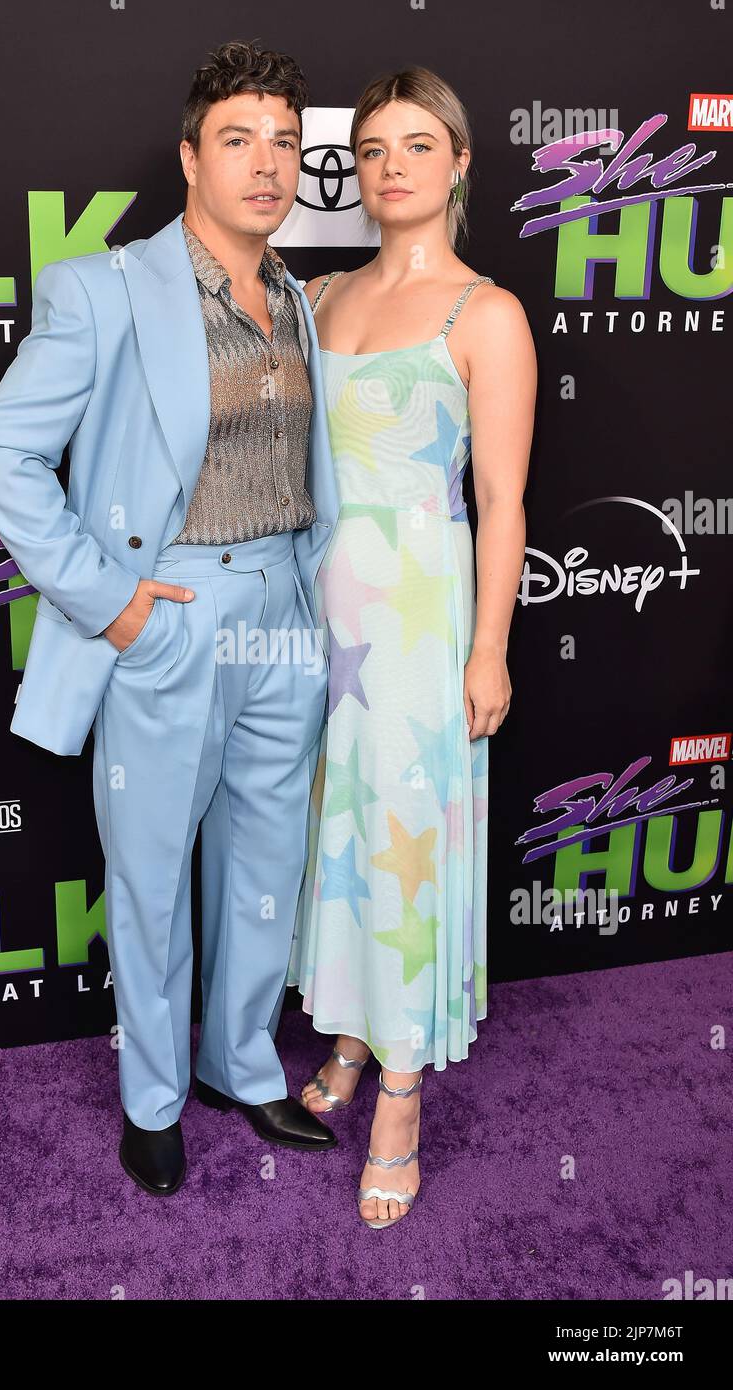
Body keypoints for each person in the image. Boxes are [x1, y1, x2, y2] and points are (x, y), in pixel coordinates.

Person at [0, 40, 341, 1197]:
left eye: (285, 142)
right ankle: (152, 1099)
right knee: (152, 875)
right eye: (239, 140)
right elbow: (2, 451)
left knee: (266, 860)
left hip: (285, 605)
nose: (267, 165)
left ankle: (239, 1064)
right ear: (189, 157)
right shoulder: (105, 288)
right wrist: (110, 603)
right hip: (169, 611)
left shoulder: (299, 295)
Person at [288, 66, 536, 1228]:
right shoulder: (322, 290)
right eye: (374, 148)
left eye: (417, 144)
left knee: (403, 849)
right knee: (330, 835)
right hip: (314, 621)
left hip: (421, 620)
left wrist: (488, 648)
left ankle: (398, 1092)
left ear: (459, 163)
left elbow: (501, 499)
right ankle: (347, 1025)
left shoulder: (484, 313)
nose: (391, 166)